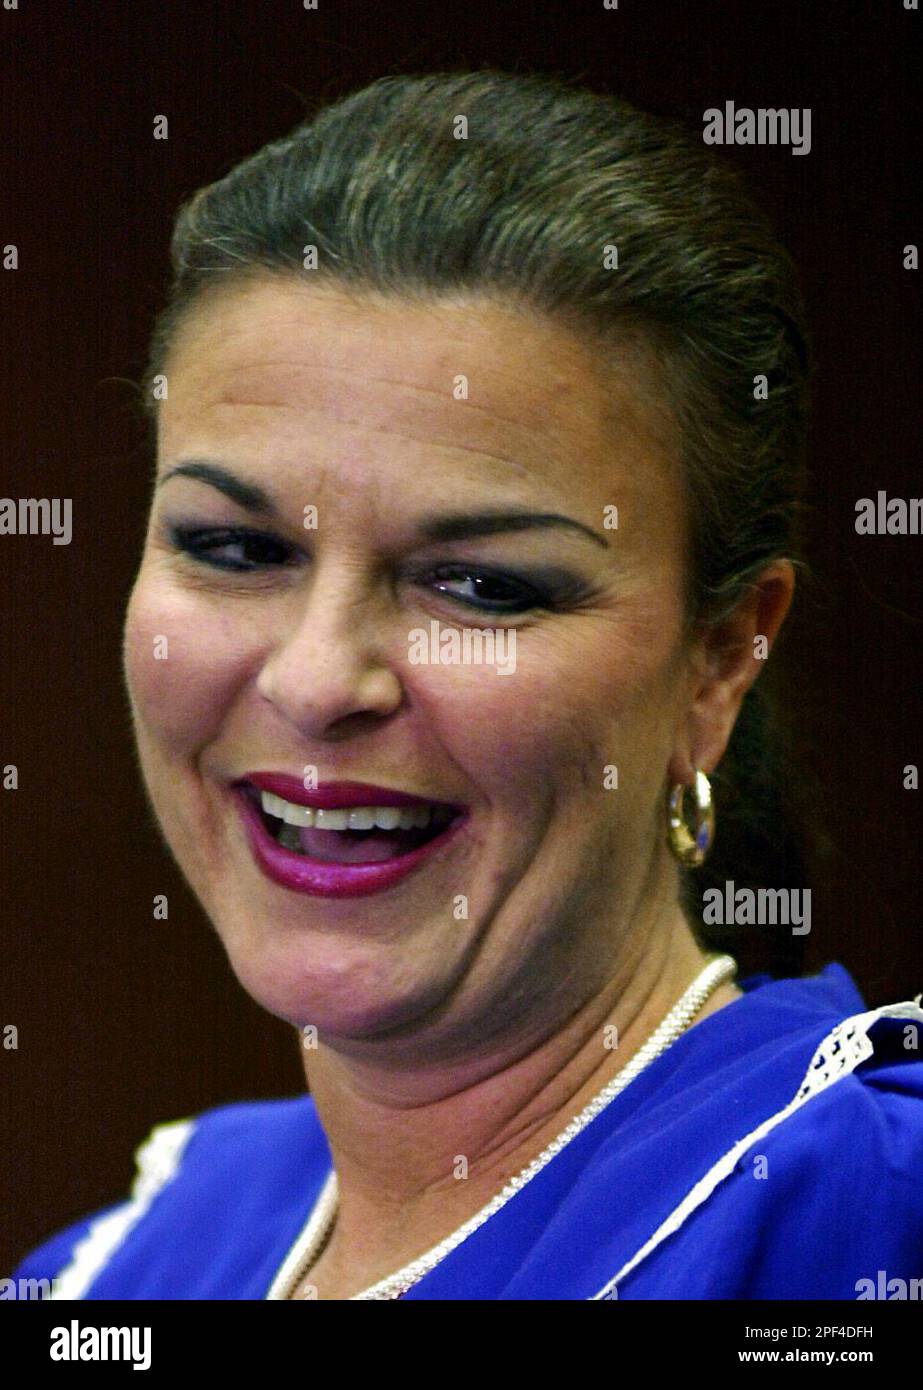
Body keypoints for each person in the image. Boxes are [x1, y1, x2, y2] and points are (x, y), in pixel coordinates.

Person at [11, 69, 923, 1301]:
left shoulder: (861, 1205)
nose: (318, 679)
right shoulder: (112, 1271)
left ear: (717, 661)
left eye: (481, 587)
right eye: (235, 549)